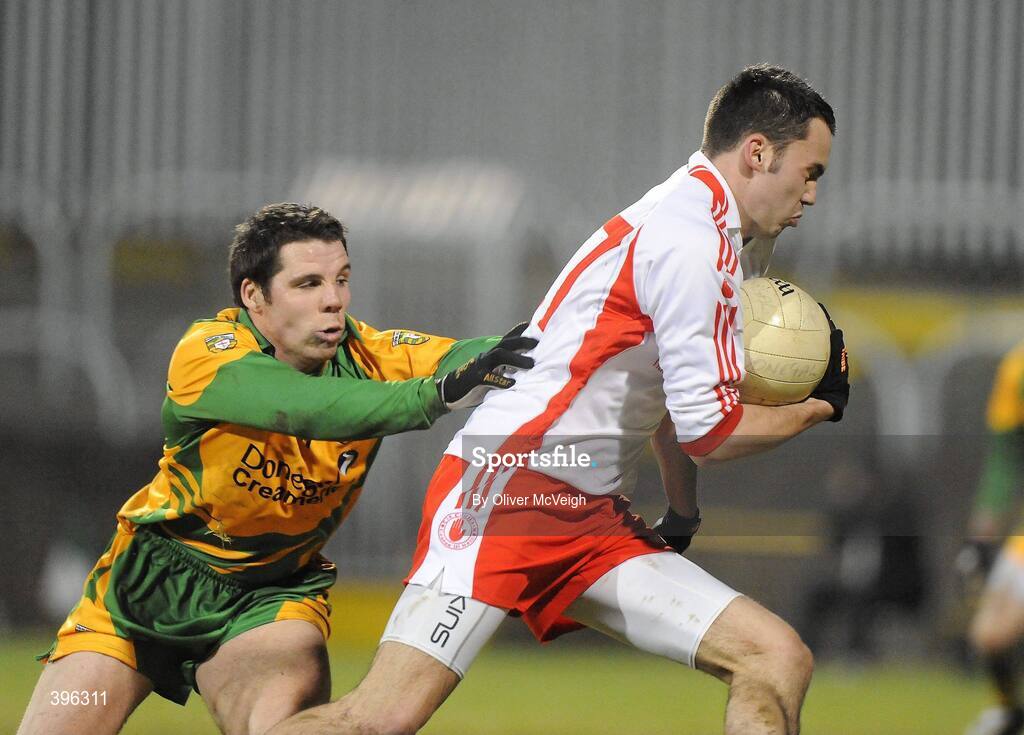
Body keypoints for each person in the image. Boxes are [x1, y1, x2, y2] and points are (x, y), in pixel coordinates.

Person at [268, 64, 848, 735]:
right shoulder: (692, 241)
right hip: (509, 491)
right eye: (810, 171)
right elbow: (710, 433)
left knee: (775, 657)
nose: (812, 193)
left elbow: (676, 406)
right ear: (758, 152)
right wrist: (818, 406)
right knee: (376, 720)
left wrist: (681, 515)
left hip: (585, 513)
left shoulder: (707, 228)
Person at [16, 202, 536, 735]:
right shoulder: (207, 354)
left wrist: (533, 351)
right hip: (145, 591)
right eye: (308, 284)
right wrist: (436, 395)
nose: (333, 300)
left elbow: (475, 354)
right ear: (254, 296)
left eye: (341, 279)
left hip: (269, 597)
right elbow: (308, 407)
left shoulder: (371, 355)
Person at [961, 341, 1024, 735]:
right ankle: (1010, 713)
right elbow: (1004, 458)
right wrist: (981, 536)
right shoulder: (1018, 368)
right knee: (990, 634)